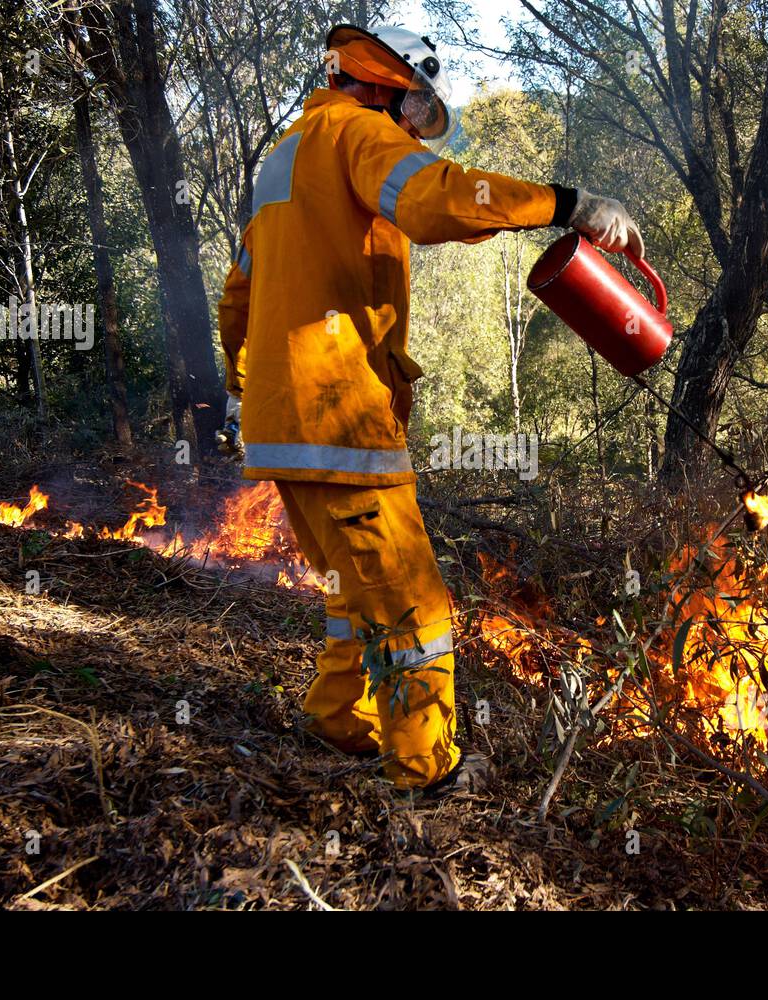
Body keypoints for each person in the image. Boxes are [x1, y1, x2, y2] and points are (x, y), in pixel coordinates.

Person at [216, 23, 642, 796]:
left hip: (284, 422)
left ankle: (338, 719)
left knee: (353, 589)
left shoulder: (286, 153)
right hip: (339, 418)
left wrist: (247, 381)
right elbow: (435, 197)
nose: (414, 128)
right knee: (414, 605)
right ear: (387, 83)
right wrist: (565, 204)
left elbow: (238, 290)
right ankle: (425, 769)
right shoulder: (356, 133)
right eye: (415, 108)